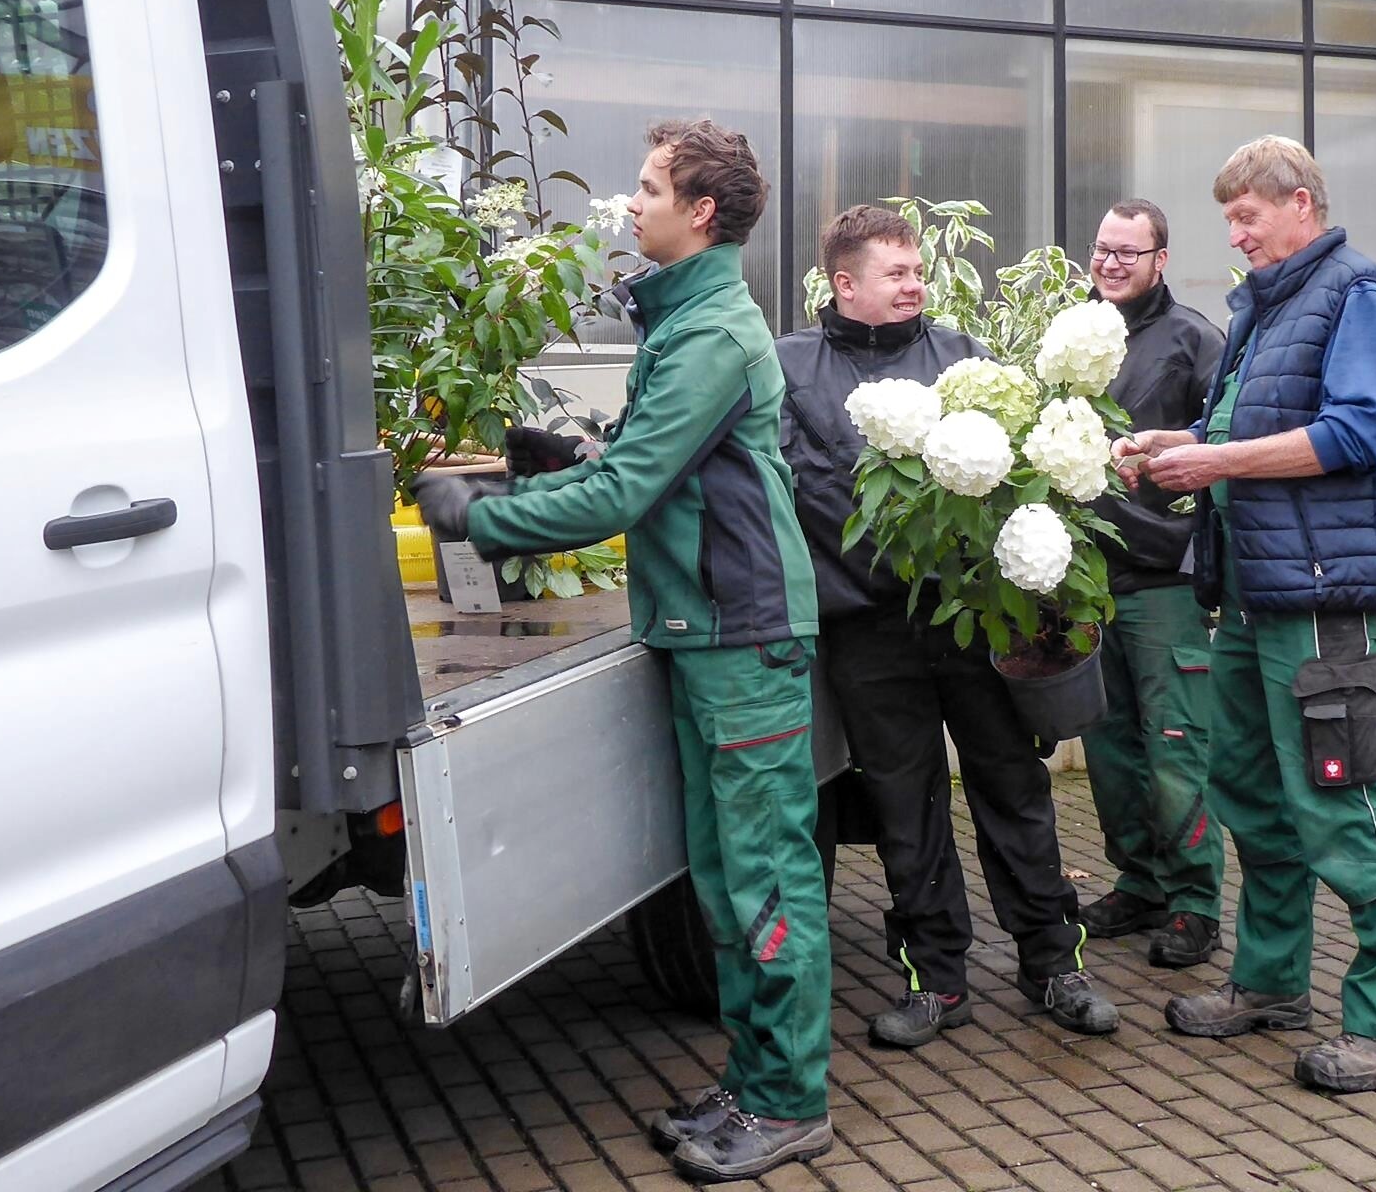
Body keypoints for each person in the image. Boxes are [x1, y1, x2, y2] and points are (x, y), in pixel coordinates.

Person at [413, 119, 832, 1183]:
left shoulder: (712, 333)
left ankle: (790, 1101)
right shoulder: (684, 320)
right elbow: (646, 465)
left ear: (701, 210)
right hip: (708, 628)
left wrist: (483, 518)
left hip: (744, 637)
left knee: (766, 879)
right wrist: (553, 468)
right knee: (725, 877)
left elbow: (629, 492)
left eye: (649, 187)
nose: (632, 202)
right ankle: (754, 1077)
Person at [1115, 135, 1376, 1094]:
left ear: (1301, 204)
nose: (1236, 236)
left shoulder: (1355, 293)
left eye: (1247, 217)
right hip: (1254, 594)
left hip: (1323, 598)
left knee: (1346, 804)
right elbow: (1243, 429)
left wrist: (1216, 462)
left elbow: (1358, 432)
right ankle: (1268, 983)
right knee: (1250, 792)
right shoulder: (1270, 307)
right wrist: (1179, 441)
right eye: (1230, 220)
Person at [777, 204, 1120, 1049]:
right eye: (895, 273)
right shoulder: (790, 368)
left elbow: (1020, 480)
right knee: (906, 807)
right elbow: (794, 494)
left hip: (970, 620)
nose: (914, 287)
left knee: (1014, 788)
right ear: (845, 282)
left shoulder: (964, 360)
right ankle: (937, 981)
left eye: (918, 272)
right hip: (866, 632)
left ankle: (1054, 965)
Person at [1074, 199, 1228, 968]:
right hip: (1088, 582)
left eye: (1127, 253)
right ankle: (1140, 883)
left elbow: (1229, 444)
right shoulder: (1072, 337)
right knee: (1110, 754)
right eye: (1103, 248)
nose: (1110, 263)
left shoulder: (1195, 340)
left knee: (1175, 752)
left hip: (1163, 582)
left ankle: (1195, 903)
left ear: (1160, 260)